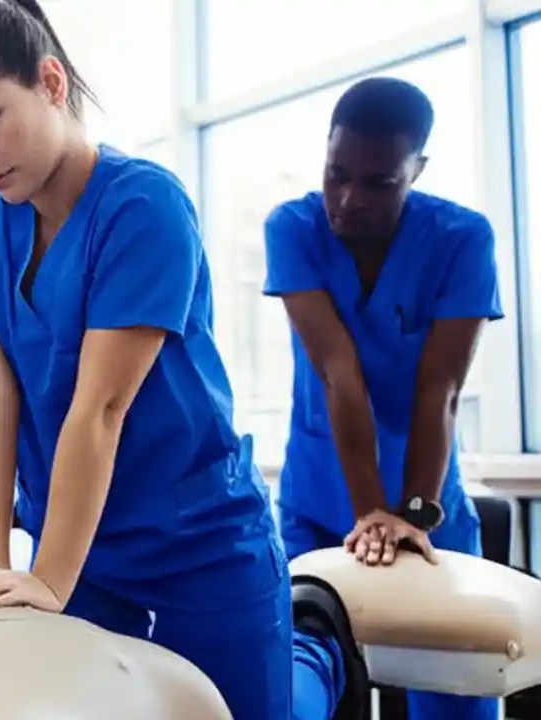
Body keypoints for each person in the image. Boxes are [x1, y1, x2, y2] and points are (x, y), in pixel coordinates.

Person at [0, 1, 292, 719]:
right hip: (85, 547)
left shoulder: (142, 205)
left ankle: (320, 649)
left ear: (51, 83)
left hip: (201, 544)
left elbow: (103, 406)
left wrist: (48, 581)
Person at [264, 77, 502, 720]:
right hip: (318, 508)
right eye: (336, 173)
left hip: (428, 510)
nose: (348, 199)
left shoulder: (462, 239)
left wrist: (413, 516)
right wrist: (372, 516)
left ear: (416, 170)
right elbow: (341, 373)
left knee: (455, 687)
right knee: (296, 684)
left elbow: (439, 390)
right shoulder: (293, 228)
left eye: (379, 184)